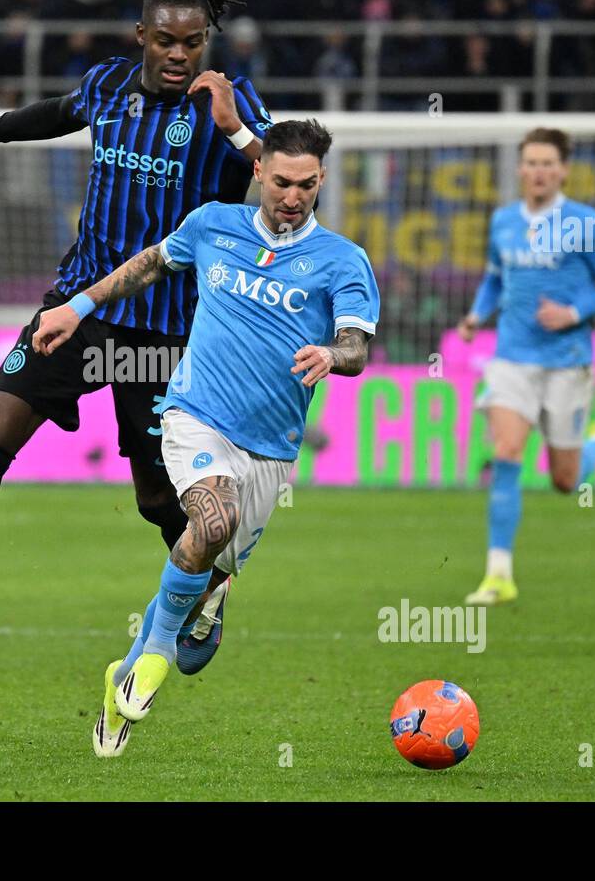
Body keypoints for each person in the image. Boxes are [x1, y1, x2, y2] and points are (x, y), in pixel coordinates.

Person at [0, 0, 275, 681]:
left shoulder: (230, 102)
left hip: (166, 330)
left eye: (193, 41)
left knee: (157, 497)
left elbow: (289, 185)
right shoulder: (107, 86)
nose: (180, 53)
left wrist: (236, 130)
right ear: (141, 37)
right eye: (166, 40)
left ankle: (211, 586)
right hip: (78, 309)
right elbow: (51, 114)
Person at [31, 119, 379, 757]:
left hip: (271, 450)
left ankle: (128, 671)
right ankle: (157, 654)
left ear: (321, 180)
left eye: (305, 184)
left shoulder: (343, 261)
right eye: (281, 182)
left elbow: (358, 345)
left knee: (207, 570)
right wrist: (76, 308)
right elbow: (148, 265)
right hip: (195, 413)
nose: (292, 196)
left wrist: (334, 353)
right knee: (210, 521)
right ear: (258, 172)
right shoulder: (213, 224)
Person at [456, 127, 595, 606]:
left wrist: (572, 313)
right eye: (530, 162)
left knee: (565, 480)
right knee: (507, 453)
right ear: (519, 169)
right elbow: (494, 279)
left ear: (563, 170)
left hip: (567, 362)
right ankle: (498, 574)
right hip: (511, 359)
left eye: (547, 163)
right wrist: (476, 315)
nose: (538, 171)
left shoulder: (586, 223)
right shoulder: (504, 221)